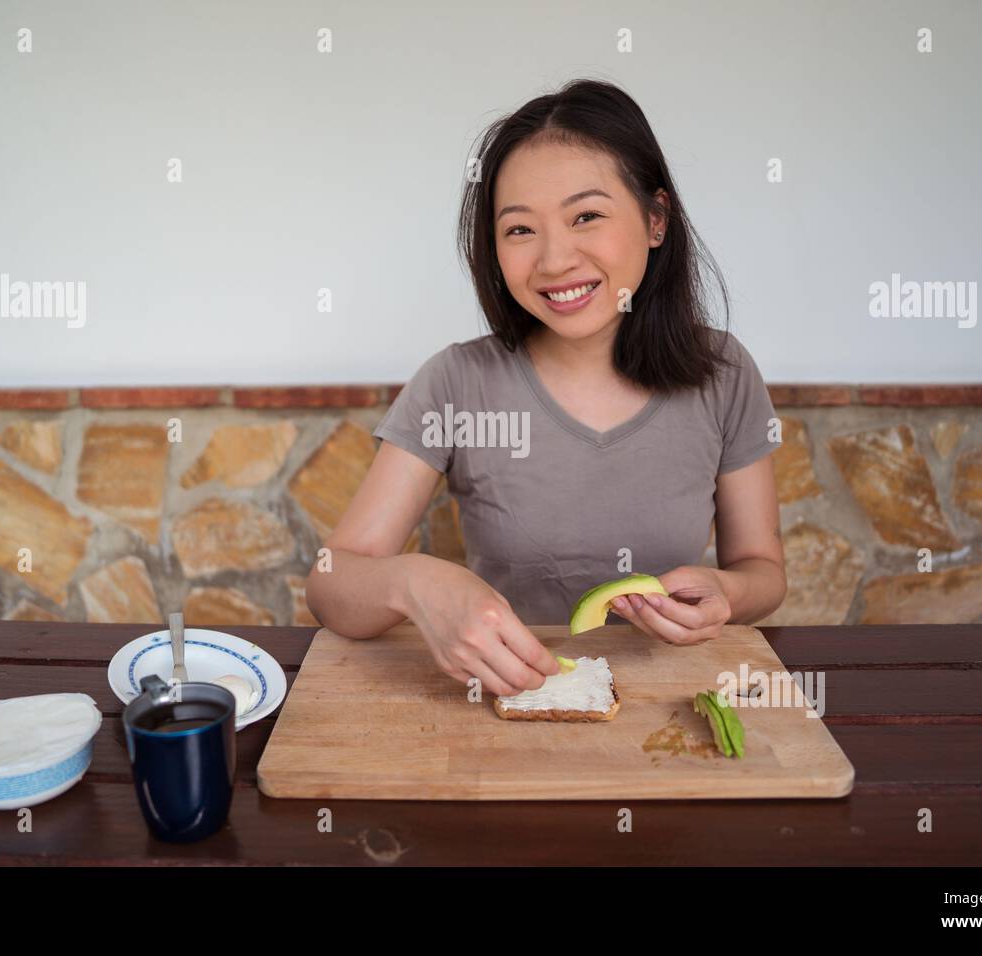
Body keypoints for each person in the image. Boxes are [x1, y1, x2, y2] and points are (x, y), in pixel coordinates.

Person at [306, 78, 786, 698]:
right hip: (504, 707)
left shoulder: (724, 372)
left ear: (655, 219)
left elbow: (763, 572)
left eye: (586, 215)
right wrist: (416, 582)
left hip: (667, 708)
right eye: (520, 230)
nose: (554, 261)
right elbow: (328, 581)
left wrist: (728, 593)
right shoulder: (455, 383)